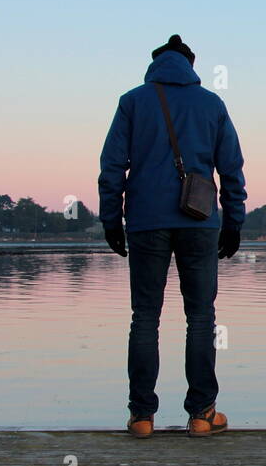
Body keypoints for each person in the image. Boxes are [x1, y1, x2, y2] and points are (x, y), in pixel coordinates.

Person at [98, 35, 247, 439]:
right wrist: (234, 221)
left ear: (155, 64)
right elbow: (231, 167)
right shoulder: (212, 104)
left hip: (146, 221)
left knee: (145, 317)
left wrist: (111, 220)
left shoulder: (132, 102)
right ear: (191, 65)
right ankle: (202, 414)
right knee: (201, 317)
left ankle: (142, 416)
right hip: (199, 222)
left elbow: (113, 166)